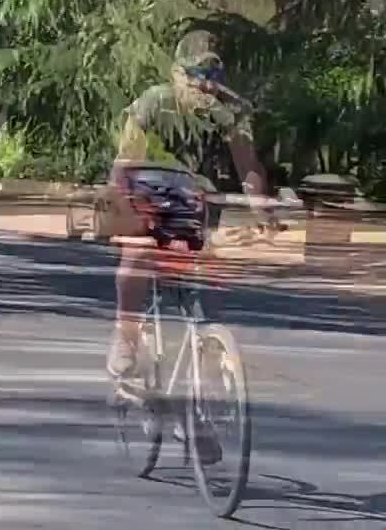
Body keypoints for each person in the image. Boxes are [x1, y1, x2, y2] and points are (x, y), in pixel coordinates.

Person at [106, 29, 271, 379]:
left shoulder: (231, 113)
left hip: (200, 200)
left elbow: (248, 166)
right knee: (136, 255)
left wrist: (262, 211)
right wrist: (119, 210)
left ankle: (205, 378)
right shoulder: (155, 101)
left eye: (214, 76)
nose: (206, 85)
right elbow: (125, 159)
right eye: (197, 74)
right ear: (177, 74)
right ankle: (127, 338)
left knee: (209, 274)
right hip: (150, 193)